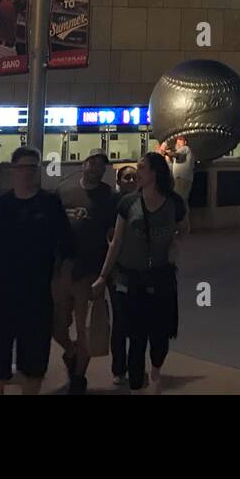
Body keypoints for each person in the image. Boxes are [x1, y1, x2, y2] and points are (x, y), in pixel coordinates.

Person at [0, 147, 71, 395]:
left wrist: (62, 295)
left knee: (33, 370)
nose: (29, 173)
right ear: (13, 170)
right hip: (1, 299)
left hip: (38, 299)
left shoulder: (50, 205)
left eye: (34, 167)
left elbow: (66, 249)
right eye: (24, 167)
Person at [93, 152, 188, 395]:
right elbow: (116, 242)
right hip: (130, 278)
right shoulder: (128, 203)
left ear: (155, 172)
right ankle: (136, 387)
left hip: (161, 277)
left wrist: (172, 244)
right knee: (136, 337)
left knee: (160, 337)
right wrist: (104, 276)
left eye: (142, 168)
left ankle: (156, 368)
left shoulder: (174, 202)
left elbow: (184, 228)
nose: (137, 172)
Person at [54, 148, 118, 394]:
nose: (96, 168)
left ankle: (79, 376)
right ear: (83, 164)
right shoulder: (64, 192)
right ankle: (69, 351)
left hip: (90, 272)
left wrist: (106, 273)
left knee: (86, 329)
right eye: (92, 162)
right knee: (56, 324)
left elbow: (114, 236)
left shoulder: (109, 198)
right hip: (63, 270)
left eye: (101, 164)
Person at [108, 164, 139, 386]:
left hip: (139, 270)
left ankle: (136, 364)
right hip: (118, 271)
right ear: (118, 181)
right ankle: (119, 367)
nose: (130, 181)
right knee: (120, 319)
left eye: (134, 178)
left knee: (138, 319)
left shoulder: (144, 202)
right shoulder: (113, 204)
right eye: (126, 178)